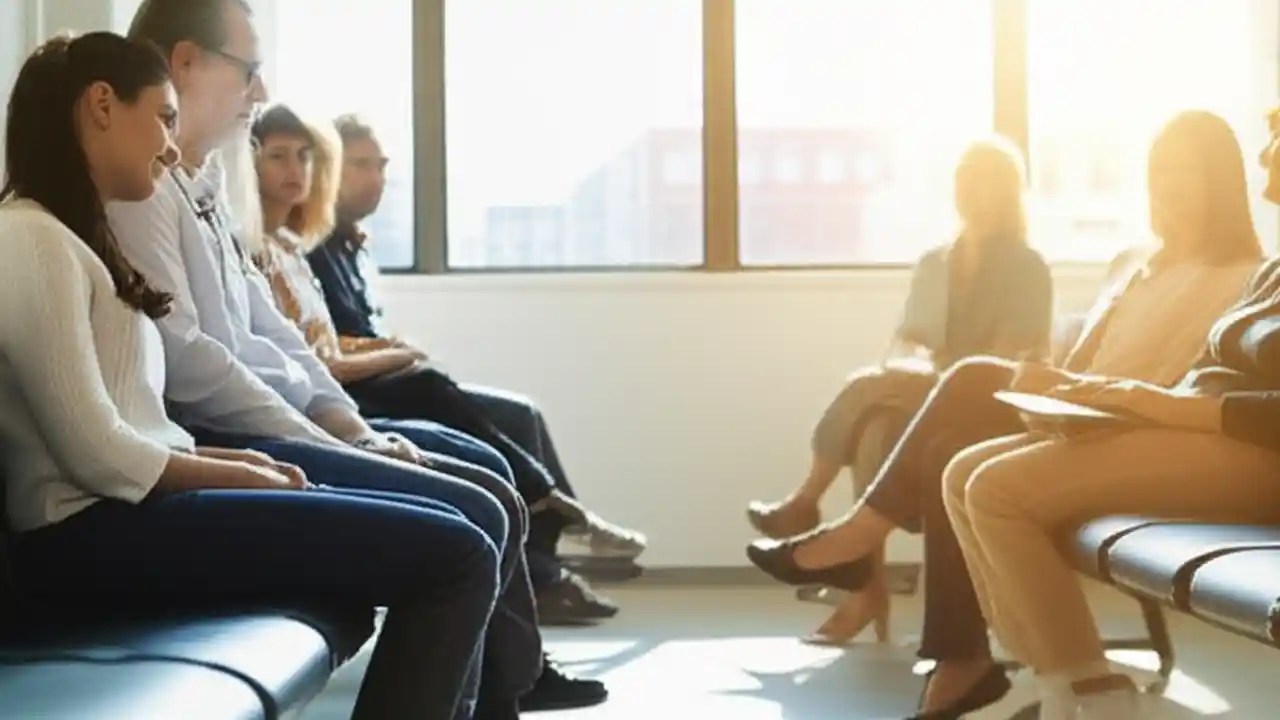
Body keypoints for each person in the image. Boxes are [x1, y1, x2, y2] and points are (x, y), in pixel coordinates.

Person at [104, 0, 606, 715]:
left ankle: (503, 699)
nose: (261, 93)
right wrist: (325, 437)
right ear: (185, 62)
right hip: (222, 440)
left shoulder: (201, 184)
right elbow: (189, 362)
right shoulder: (141, 193)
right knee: (468, 529)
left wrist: (351, 428)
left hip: (264, 427)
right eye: (248, 70)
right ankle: (505, 696)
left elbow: (271, 334)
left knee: (489, 484)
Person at [0, 32, 500, 720]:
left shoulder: (71, 237)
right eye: (165, 117)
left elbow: (128, 429)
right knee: (458, 555)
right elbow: (95, 453)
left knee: (454, 536)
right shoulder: (28, 238)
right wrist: (235, 472)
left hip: (128, 518)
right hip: (85, 540)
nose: (172, 148)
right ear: (102, 106)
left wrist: (233, 457)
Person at [748, 110, 1263, 717]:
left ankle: (869, 546)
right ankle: (985, 664)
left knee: (968, 391)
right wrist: (1056, 380)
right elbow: (1090, 355)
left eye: (1185, 172)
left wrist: (1066, 384)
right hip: (1075, 406)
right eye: (1159, 171)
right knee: (939, 451)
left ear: (1221, 182)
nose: (1167, 185)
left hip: (1123, 423)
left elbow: (1162, 382)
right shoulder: (1138, 263)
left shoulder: (1239, 276)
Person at [944, 109, 1280, 718]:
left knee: (998, 488)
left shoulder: (1245, 271)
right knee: (962, 471)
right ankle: (1053, 676)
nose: (1265, 155)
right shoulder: (1272, 273)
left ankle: (1091, 691)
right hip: (1197, 427)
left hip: (1247, 453)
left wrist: (1157, 405)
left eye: (1276, 137)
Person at [245, 105, 632, 625]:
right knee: (456, 420)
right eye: (278, 157)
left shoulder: (296, 246)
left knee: (512, 417)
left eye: (304, 157)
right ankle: (550, 519)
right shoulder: (261, 252)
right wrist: (398, 355)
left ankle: (549, 562)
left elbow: (331, 344)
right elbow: (314, 361)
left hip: (342, 388)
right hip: (327, 403)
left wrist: (389, 350)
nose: (297, 170)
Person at [746, 137, 1054, 645]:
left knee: (868, 388)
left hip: (984, 396)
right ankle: (864, 590)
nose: (976, 194)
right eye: (968, 182)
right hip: (932, 384)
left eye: (988, 184)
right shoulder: (937, 262)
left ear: (1009, 194)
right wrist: (908, 370)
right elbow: (909, 341)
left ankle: (811, 511)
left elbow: (1003, 360)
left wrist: (921, 373)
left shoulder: (1026, 266)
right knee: (874, 426)